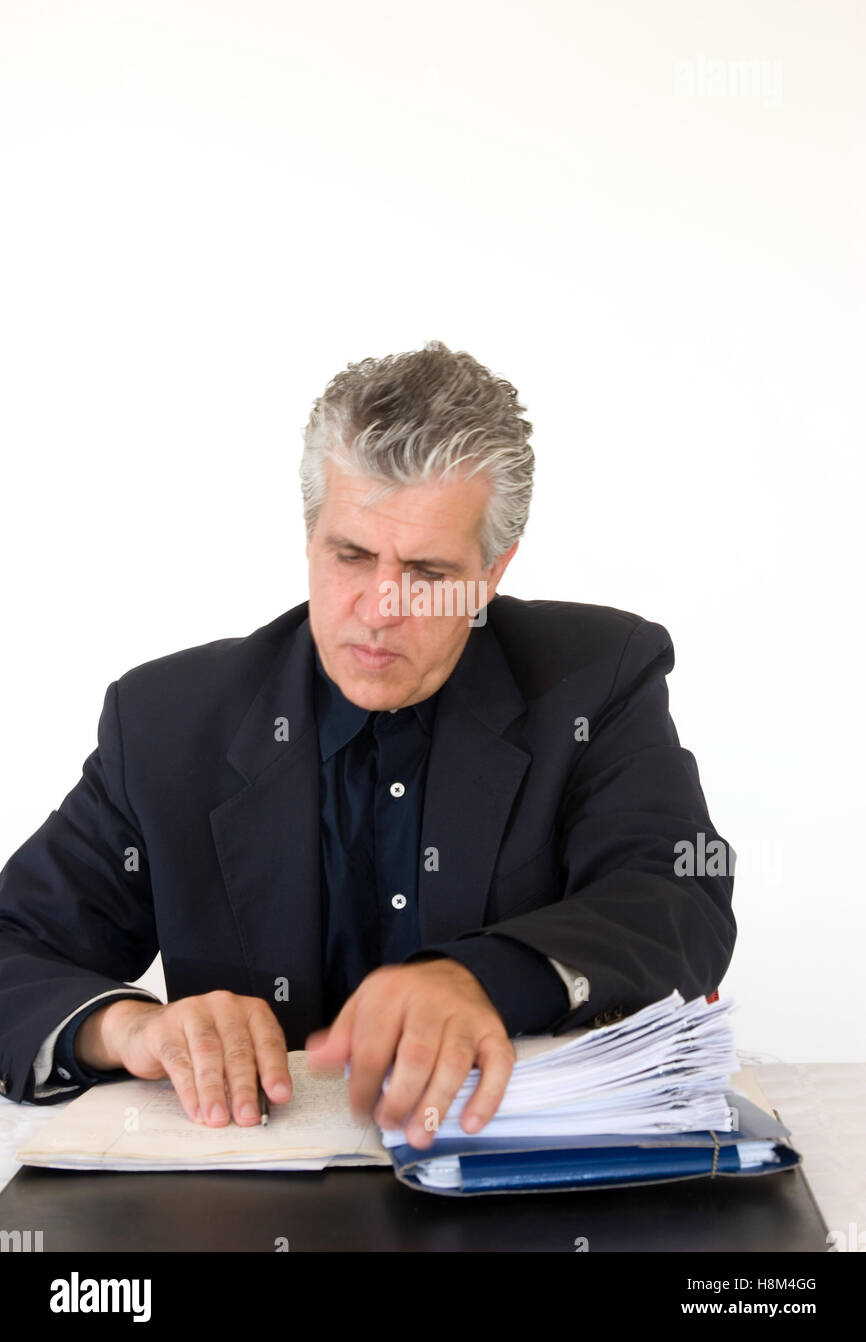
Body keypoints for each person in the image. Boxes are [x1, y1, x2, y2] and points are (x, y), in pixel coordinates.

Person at [0, 340, 736, 1152]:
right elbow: (13, 947)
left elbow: (678, 901)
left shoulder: (597, 678)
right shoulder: (166, 723)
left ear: (492, 573)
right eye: (351, 556)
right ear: (310, 536)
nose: (380, 608)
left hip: (516, 1198)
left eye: (426, 571)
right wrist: (129, 1029)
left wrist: (480, 979)